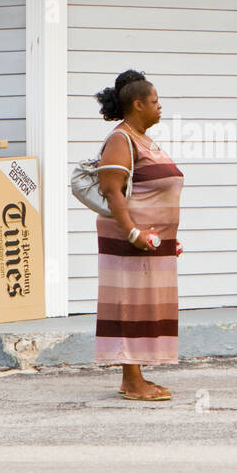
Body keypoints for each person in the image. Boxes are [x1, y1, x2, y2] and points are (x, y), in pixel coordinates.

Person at [93, 70, 184, 401]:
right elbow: (111, 190)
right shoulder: (122, 139)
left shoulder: (142, 138)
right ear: (137, 104)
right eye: (155, 101)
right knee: (128, 304)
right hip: (129, 240)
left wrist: (167, 237)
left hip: (151, 241)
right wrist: (132, 232)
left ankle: (134, 377)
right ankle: (132, 381)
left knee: (143, 306)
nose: (160, 106)